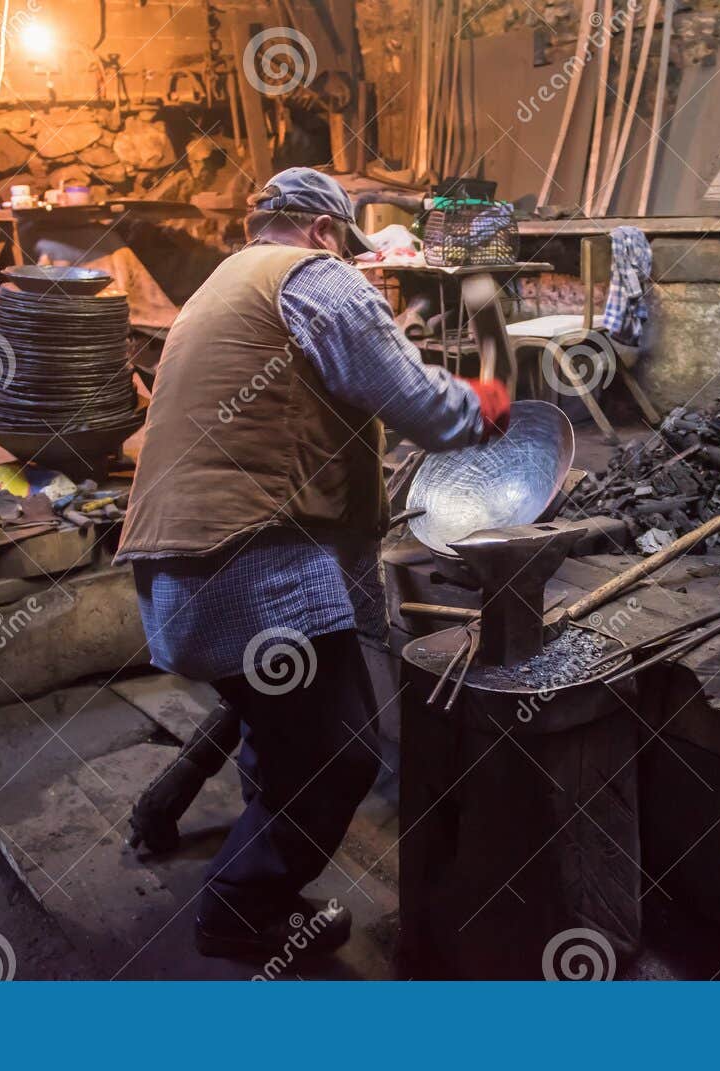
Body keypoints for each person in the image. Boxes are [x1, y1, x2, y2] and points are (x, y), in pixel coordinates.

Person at [115, 167, 510, 962]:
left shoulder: (221, 284)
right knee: (341, 751)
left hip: (171, 567)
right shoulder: (317, 279)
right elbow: (420, 404)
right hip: (249, 563)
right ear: (327, 231)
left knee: (277, 719)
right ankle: (241, 906)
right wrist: (488, 401)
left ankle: (253, 852)